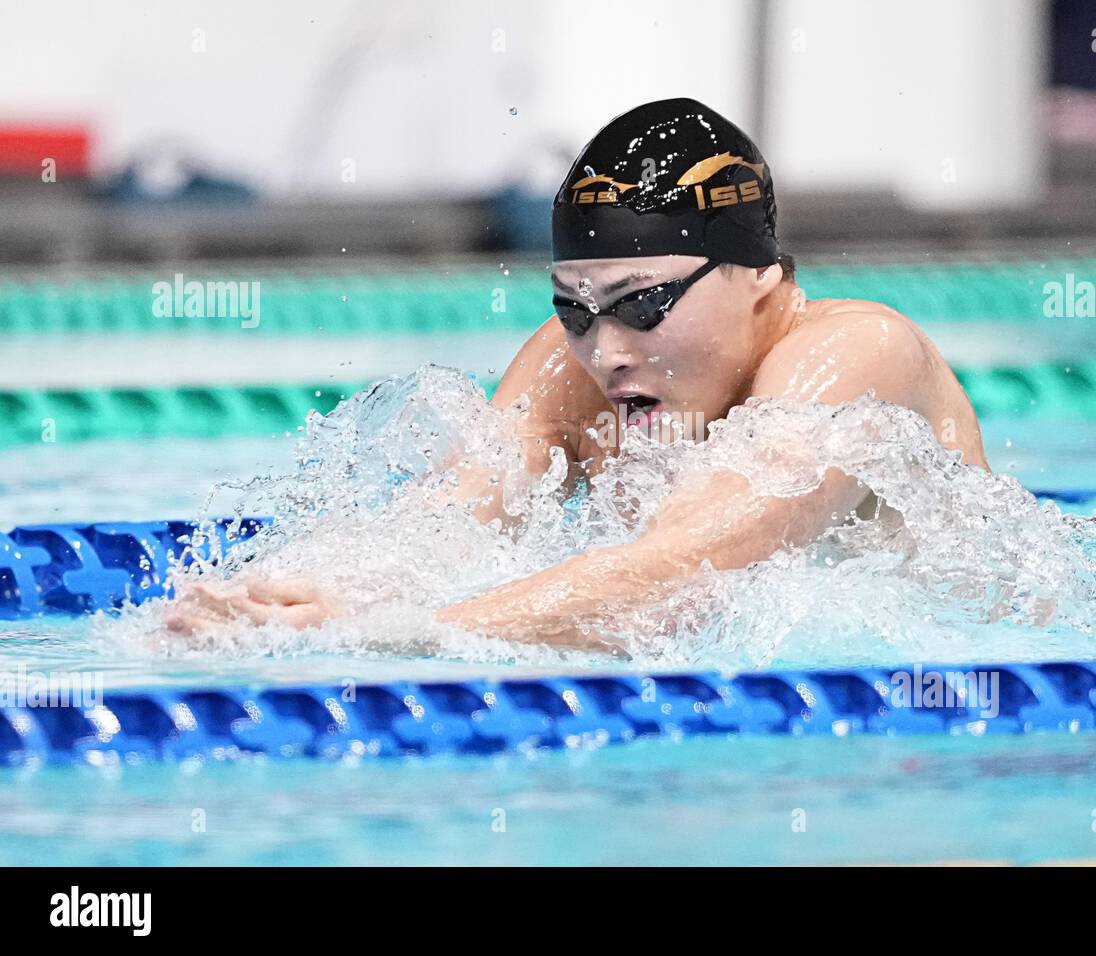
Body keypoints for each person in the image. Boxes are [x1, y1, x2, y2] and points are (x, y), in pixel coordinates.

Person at [165, 97, 988, 648]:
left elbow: (689, 570)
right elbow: (451, 516)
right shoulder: (581, 363)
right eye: (574, 309)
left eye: (643, 303)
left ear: (758, 277)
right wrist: (290, 600)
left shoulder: (859, 352)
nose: (605, 350)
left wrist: (405, 628)